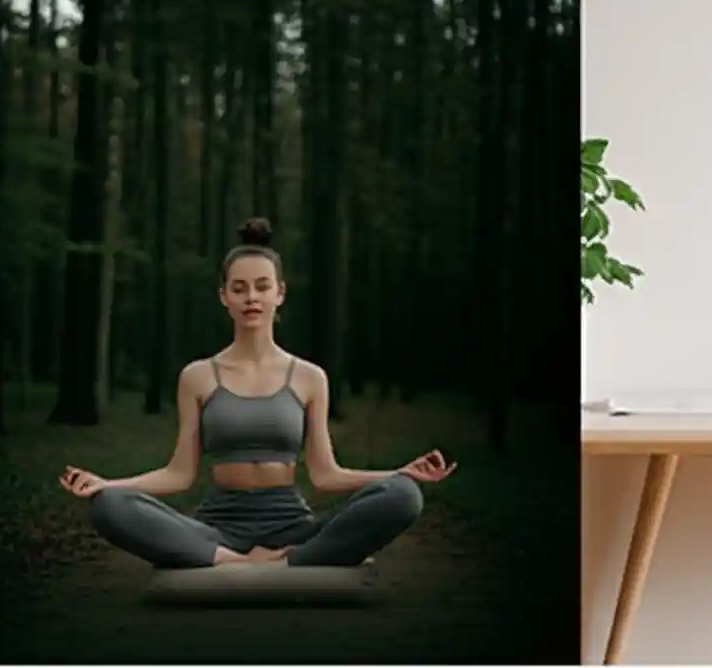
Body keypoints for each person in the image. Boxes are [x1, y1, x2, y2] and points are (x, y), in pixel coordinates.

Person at [59, 217, 456, 569]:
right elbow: (179, 474)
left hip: (293, 527)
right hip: (216, 530)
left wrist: (399, 474)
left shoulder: (309, 376)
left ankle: (290, 558)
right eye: (240, 288)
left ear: (279, 293)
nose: (251, 297)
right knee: (109, 506)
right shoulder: (197, 376)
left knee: (404, 496)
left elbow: (325, 474)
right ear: (224, 296)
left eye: (262, 287)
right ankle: (236, 561)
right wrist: (107, 484)